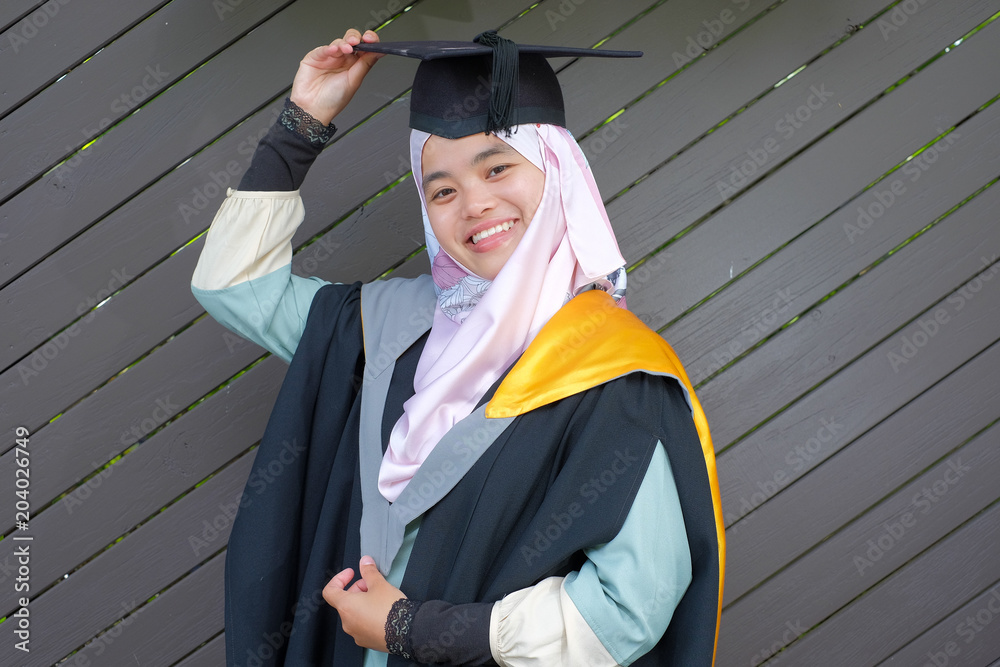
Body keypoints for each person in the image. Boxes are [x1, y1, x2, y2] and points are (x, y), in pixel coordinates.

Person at [191, 27, 724, 667]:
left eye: (498, 167)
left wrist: (410, 629)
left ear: (557, 172)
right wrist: (302, 124)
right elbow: (231, 283)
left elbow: (627, 612)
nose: (474, 204)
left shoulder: (615, 377)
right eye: (441, 190)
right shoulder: (386, 326)